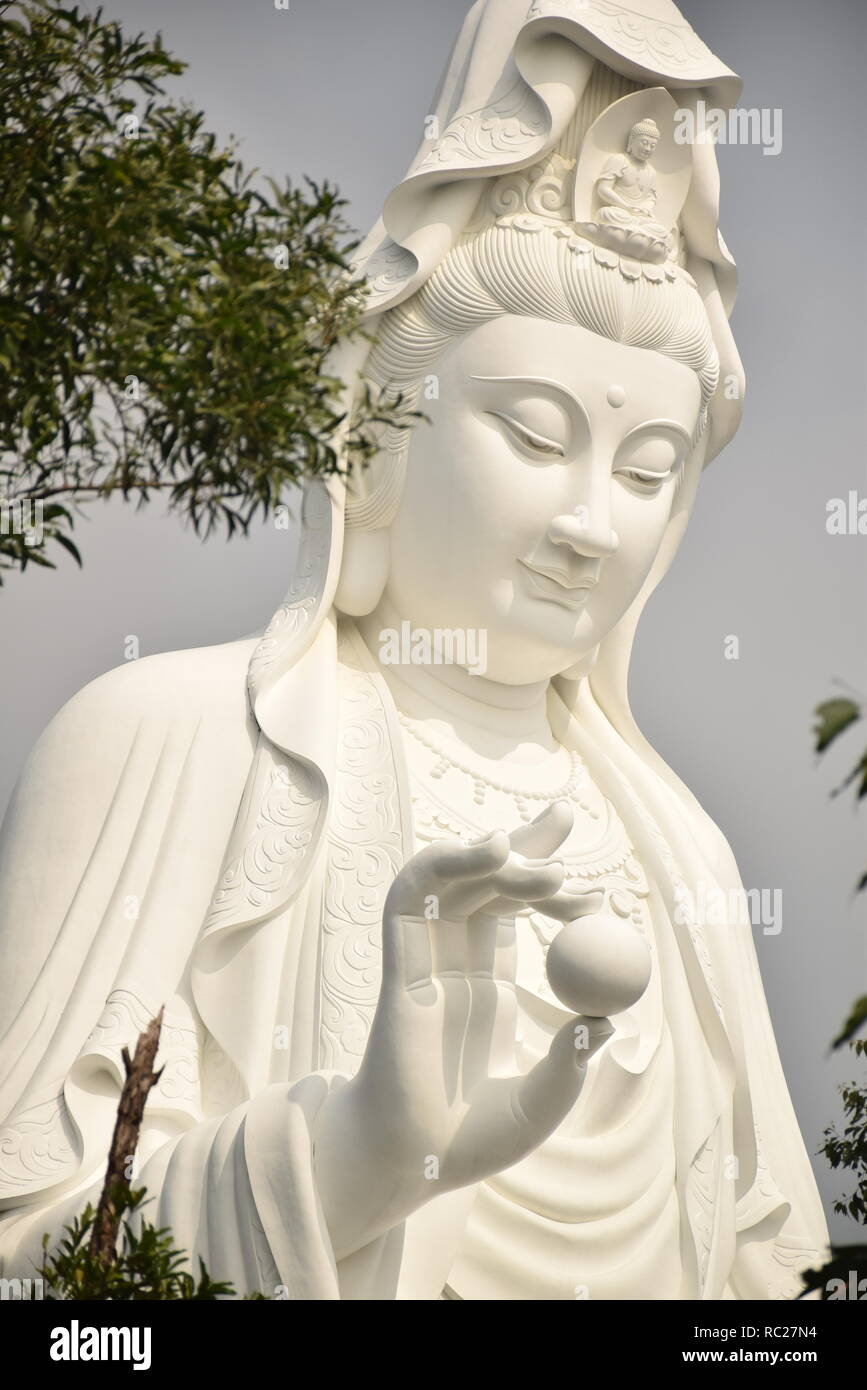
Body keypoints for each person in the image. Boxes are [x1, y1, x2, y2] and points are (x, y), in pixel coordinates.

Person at [0, 0, 829, 1300]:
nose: (590, 524)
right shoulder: (168, 744)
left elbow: (778, 1285)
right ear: (376, 439)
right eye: (538, 436)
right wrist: (355, 1154)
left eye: (652, 467)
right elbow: (36, 1285)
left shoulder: (684, 857)